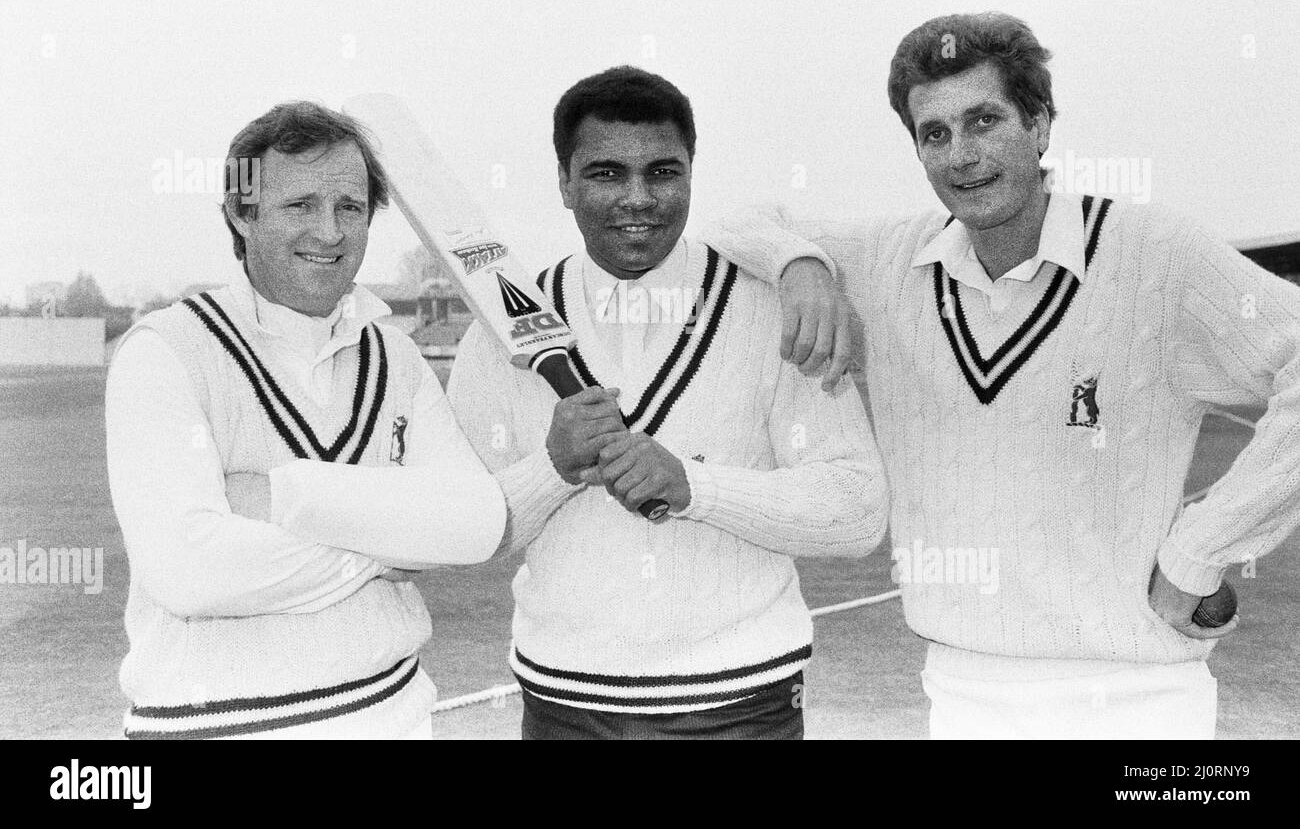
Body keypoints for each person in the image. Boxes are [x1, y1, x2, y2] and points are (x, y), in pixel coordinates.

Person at [702, 12, 1300, 739]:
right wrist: (798, 263)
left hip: (1142, 700)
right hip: (962, 692)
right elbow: (729, 222)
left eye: (984, 120)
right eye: (935, 133)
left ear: (1041, 123)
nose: (962, 154)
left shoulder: (1156, 253)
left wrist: (1201, 548)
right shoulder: (890, 261)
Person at [444, 66, 889, 739]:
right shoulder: (501, 329)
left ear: (690, 172)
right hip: (566, 703)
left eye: (662, 171)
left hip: (742, 703)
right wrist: (552, 469)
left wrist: (695, 487)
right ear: (564, 182)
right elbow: (463, 536)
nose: (638, 197)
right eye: (605, 174)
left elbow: (857, 511)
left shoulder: (771, 308)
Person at [105, 101, 509, 739]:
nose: (330, 232)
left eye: (350, 207)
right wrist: (385, 547)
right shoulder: (165, 351)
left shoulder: (394, 355)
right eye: (301, 206)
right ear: (241, 212)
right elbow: (190, 572)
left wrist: (278, 497)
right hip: (221, 728)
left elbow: (476, 523)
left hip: (393, 716)